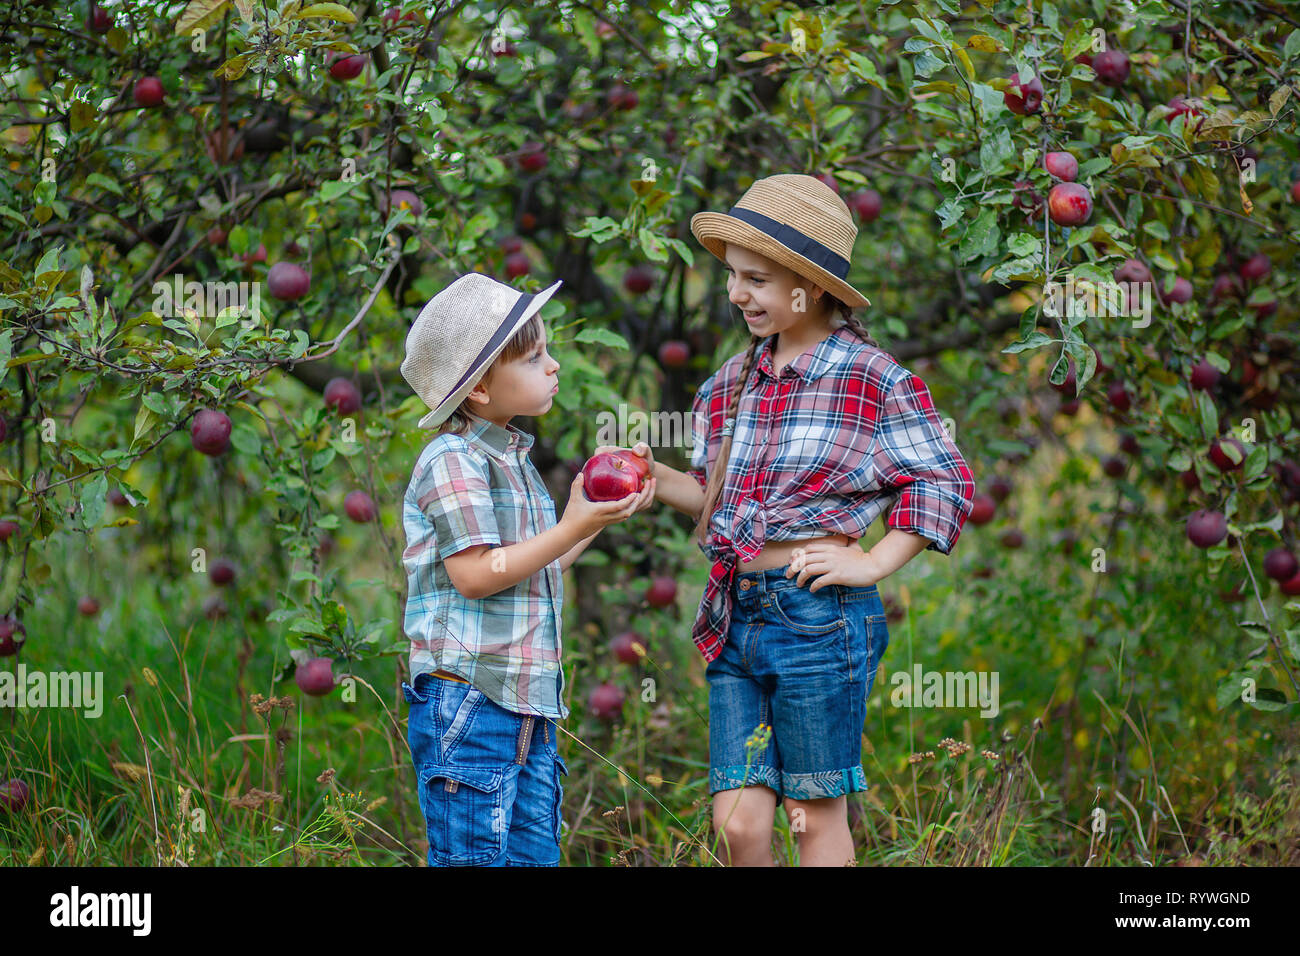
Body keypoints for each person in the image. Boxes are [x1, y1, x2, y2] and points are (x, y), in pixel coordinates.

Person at [602, 174, 974, 866]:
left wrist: (873, 561)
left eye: (758, 280)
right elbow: (714, 496)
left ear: (810, 284)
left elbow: (943, 478)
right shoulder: (731, 382)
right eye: (734, 278)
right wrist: (654, 479)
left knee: (810, 816)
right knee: (740, 824)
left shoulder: (870, 378)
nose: (737, 294)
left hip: (817, 617)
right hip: (737, 614)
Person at [398, 272, 654, 866]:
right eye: (536, 356)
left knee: (533, 857)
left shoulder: (511, 456)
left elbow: (534, 568)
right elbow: (477, 574)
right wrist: (569, 526)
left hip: (525, 707)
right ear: (481, 387)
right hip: (470, 703)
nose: (554, 365)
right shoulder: (453, 461)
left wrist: (587, 521)